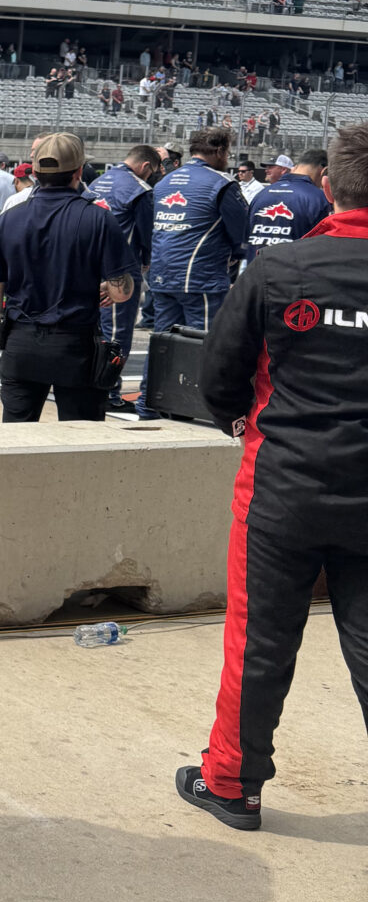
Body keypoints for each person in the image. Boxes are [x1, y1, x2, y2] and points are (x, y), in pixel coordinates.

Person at [177, 123, 368, 831]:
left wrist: (238, 421)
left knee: (258, 642)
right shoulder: (279, 270)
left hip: (283, 485)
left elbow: (218, 377)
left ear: (327, 188)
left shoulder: (279, 268)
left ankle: (231, 784)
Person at [0, 133, 135, 423]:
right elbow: (122, 292)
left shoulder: (8, 218)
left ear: (35, 172)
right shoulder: (98, 219)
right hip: (75, 342)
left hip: (21, 340)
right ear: (78, 172)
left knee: (16, 439)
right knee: (80, 439)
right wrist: (104, 288)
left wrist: (3, 320)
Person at [138, 127, 251, 414]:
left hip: (162, 276)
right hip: (200, 279)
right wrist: (234, 259)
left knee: (162, 343)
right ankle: (202, 407)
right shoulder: (223, 184)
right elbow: (242, 234)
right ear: (221, 151)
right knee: (205, 346)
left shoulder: (164, 182)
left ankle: (148, 404)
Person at [83, 143, 161, 414]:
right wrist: (146, 262)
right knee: (117, 334)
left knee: (92, 330)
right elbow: (147, 233)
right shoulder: (140, 189)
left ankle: (89, 387)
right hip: (120, 272)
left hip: (87, 267)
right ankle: (108, 392)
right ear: (146, 167)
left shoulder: (96, 183)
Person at [239, 149, 330, 268]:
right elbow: (322, 249)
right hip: (293, 278)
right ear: (323, 171)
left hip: (256, 274)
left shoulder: (261, 194)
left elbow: (246, 240)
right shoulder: (318, 198)